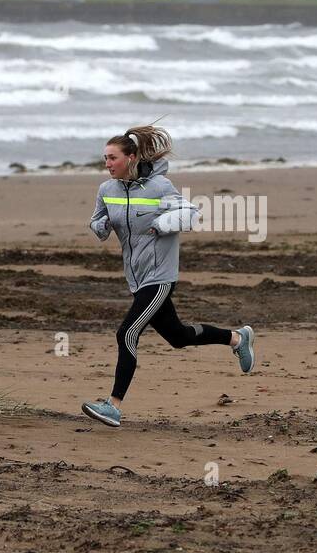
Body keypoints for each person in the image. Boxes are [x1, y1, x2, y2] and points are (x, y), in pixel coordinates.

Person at [81, 124, 255, 428]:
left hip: (160, 276)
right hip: (135, 277)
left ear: (131, 157)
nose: (106, 163)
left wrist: (163, 224)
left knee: (126, 334)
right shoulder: (106, 190)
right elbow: (97, 223)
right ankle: (237, 338)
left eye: (112, 157)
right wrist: (101, 226)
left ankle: (113, 406)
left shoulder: (159, 186)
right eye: (104, 158)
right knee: (178, 336)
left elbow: (191, 213)